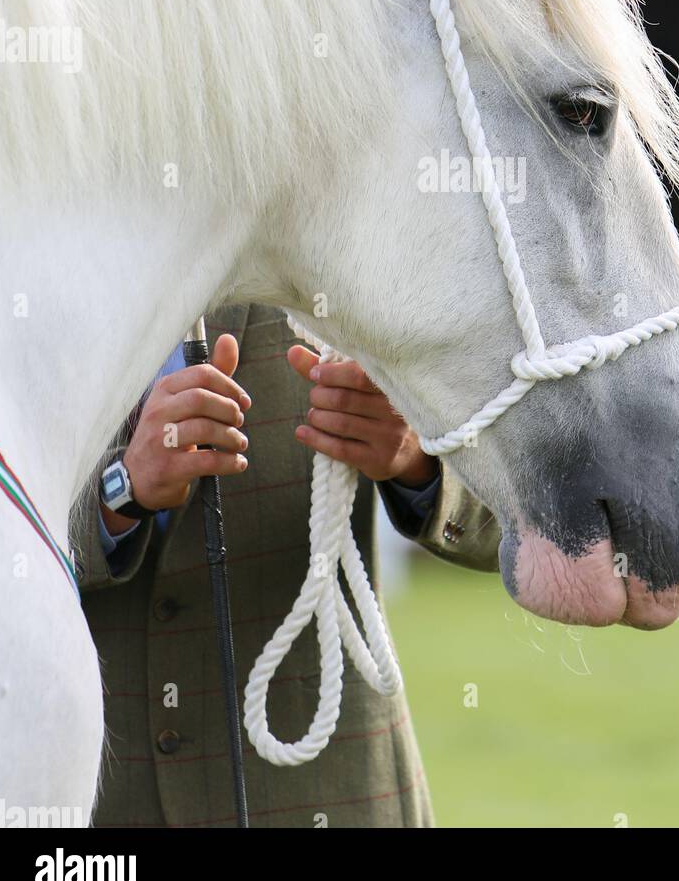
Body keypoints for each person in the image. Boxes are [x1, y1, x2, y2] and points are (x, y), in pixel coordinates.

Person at [75, 303, 499, 828]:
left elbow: (512, 516)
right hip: (94, 799)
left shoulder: (352, 248)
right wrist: (115, 496)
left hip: (329, 790)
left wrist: (417, 458)